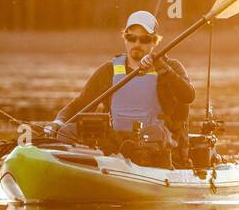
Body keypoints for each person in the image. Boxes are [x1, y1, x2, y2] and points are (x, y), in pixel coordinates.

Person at [46, 10, 195, 166]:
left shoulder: (170, 67)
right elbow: (80, 104)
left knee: (153, 135)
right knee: (67, 130)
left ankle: (135, 165)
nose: (137, 44)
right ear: (125, 38)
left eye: (144, 39)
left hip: (157, 143)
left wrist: (162, 69)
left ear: (154, 42)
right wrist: (58, 122)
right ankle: (69, 167)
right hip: (116, 143)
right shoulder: (108, 71)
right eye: (131, 38)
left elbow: (188, 96)